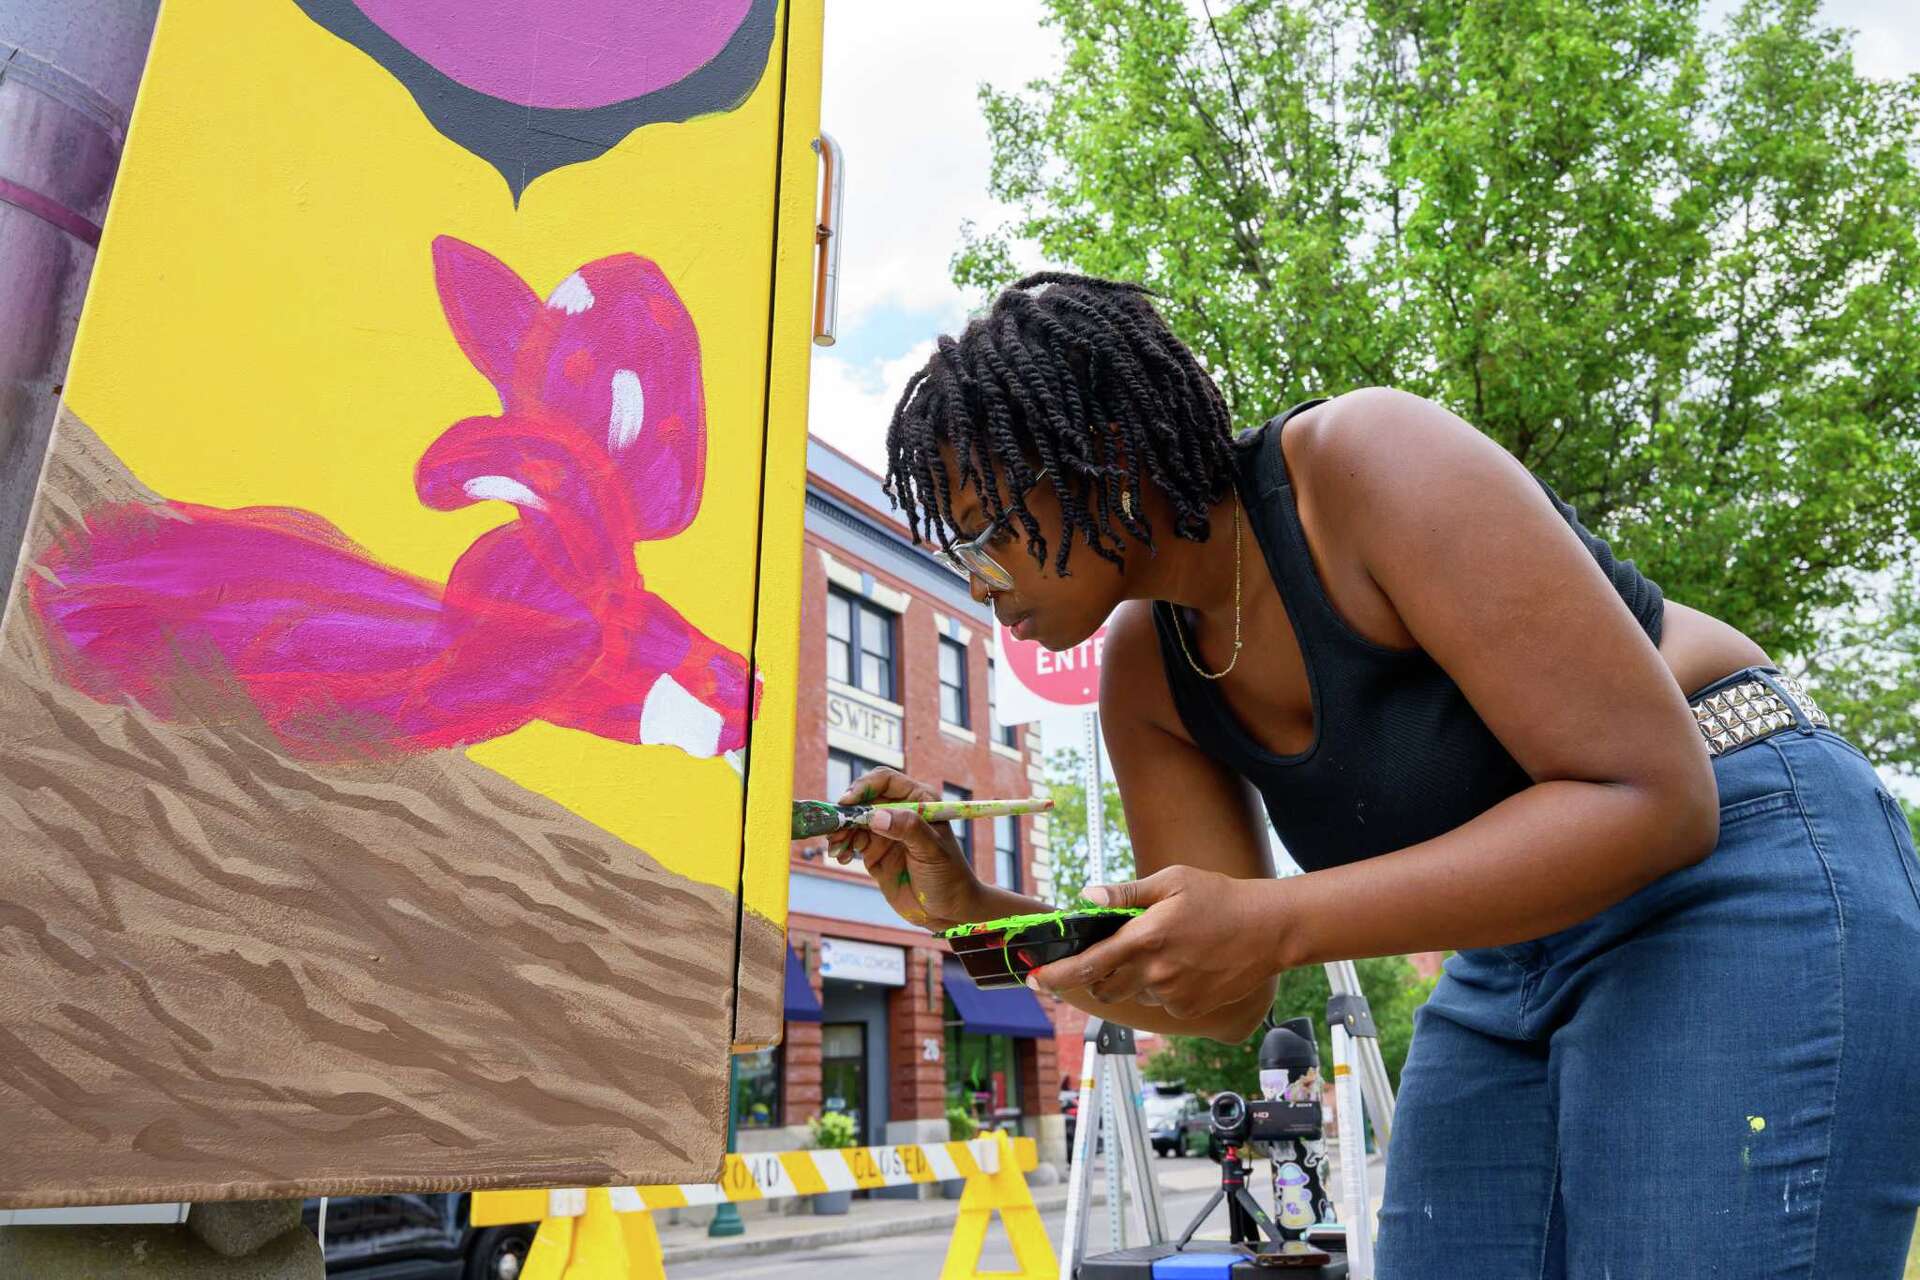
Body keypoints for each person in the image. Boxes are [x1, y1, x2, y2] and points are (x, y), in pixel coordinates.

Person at [827, 273, 1920, 1277]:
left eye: (983, 539)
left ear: (1100, 452)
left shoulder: (1361, 465)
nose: (979, 585)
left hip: (1735, 844)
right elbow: (1221, 985)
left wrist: (1278, 917)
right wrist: (970, 910)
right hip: (1515, 944)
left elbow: (1652, 797)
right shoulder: (1146, 673)